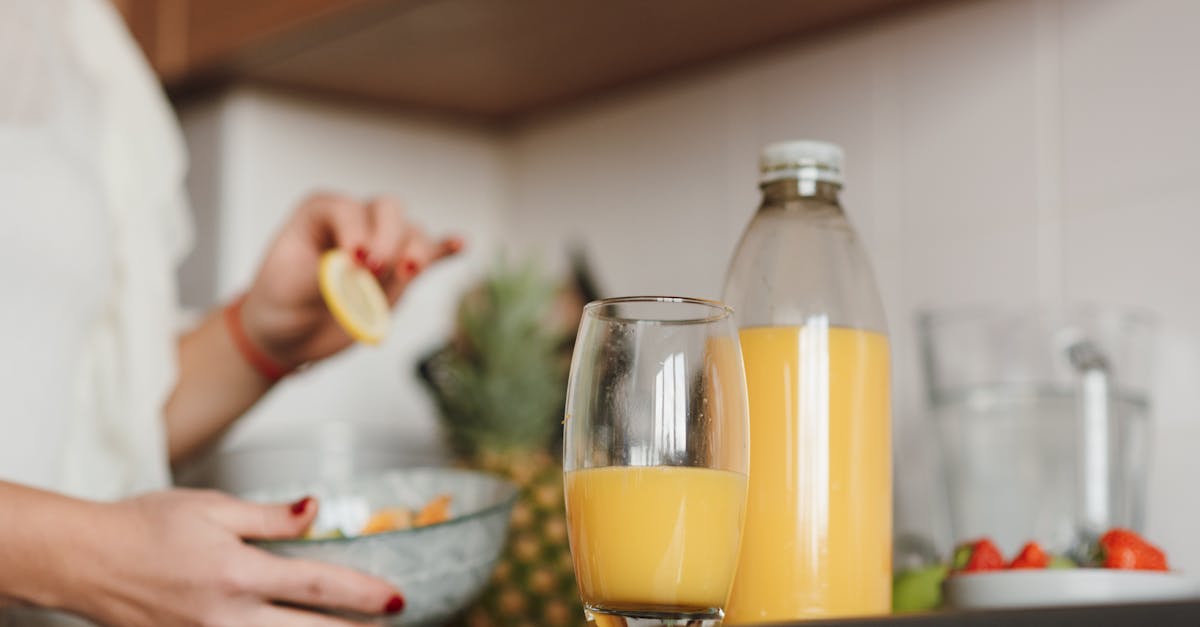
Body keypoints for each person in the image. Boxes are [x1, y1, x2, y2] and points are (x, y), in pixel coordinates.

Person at [0, 0, 461, 624]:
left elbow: (87, 434)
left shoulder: (86, 29)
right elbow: (85, 530)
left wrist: (262, 338)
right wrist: (92, 557)